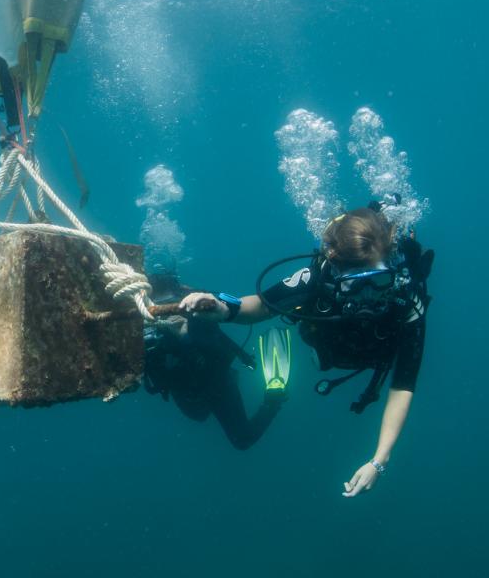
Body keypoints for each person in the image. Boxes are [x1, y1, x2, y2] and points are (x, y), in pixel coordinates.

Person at [180, 204, 434, 496]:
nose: (367, 296)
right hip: (325, 345)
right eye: (354, 285)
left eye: (378, 281)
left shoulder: (407, 301)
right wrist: (220, 307)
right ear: (337, 272)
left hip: (375, 354)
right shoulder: (316, 277)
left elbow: (403, 384)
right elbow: (262, 305)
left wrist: (379, 460)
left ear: (392, 272)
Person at [142, 273, 287, 451]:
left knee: (242, 439)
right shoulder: (140, 325)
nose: (164, 313)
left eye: (169, 303)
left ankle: (274, 399)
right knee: (199, 415)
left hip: (216, 383)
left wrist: (186, 334)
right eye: (158, 305)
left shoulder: (195, 313)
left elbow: (222, 353)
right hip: (182, 390)